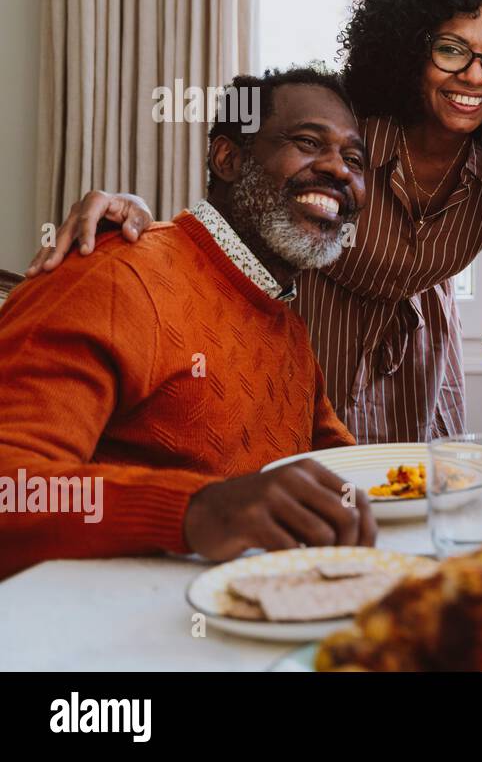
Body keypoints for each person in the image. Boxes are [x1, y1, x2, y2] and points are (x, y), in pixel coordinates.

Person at [28, 0, 482, 443]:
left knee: (417, 505)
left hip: (419, 353)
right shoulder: (346, 126)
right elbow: (244, 188)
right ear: (414, 50)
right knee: (297, 490)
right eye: (452, 49)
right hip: (308, 327)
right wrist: (139, 215)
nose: (475, 76)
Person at [0, 68, 377, 579]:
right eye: (309, 142)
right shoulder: (114, 275)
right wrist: (199, 509)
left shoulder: (285, 325)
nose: (338, 169)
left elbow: (343, 473)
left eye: (355, 160)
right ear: (228, 158)